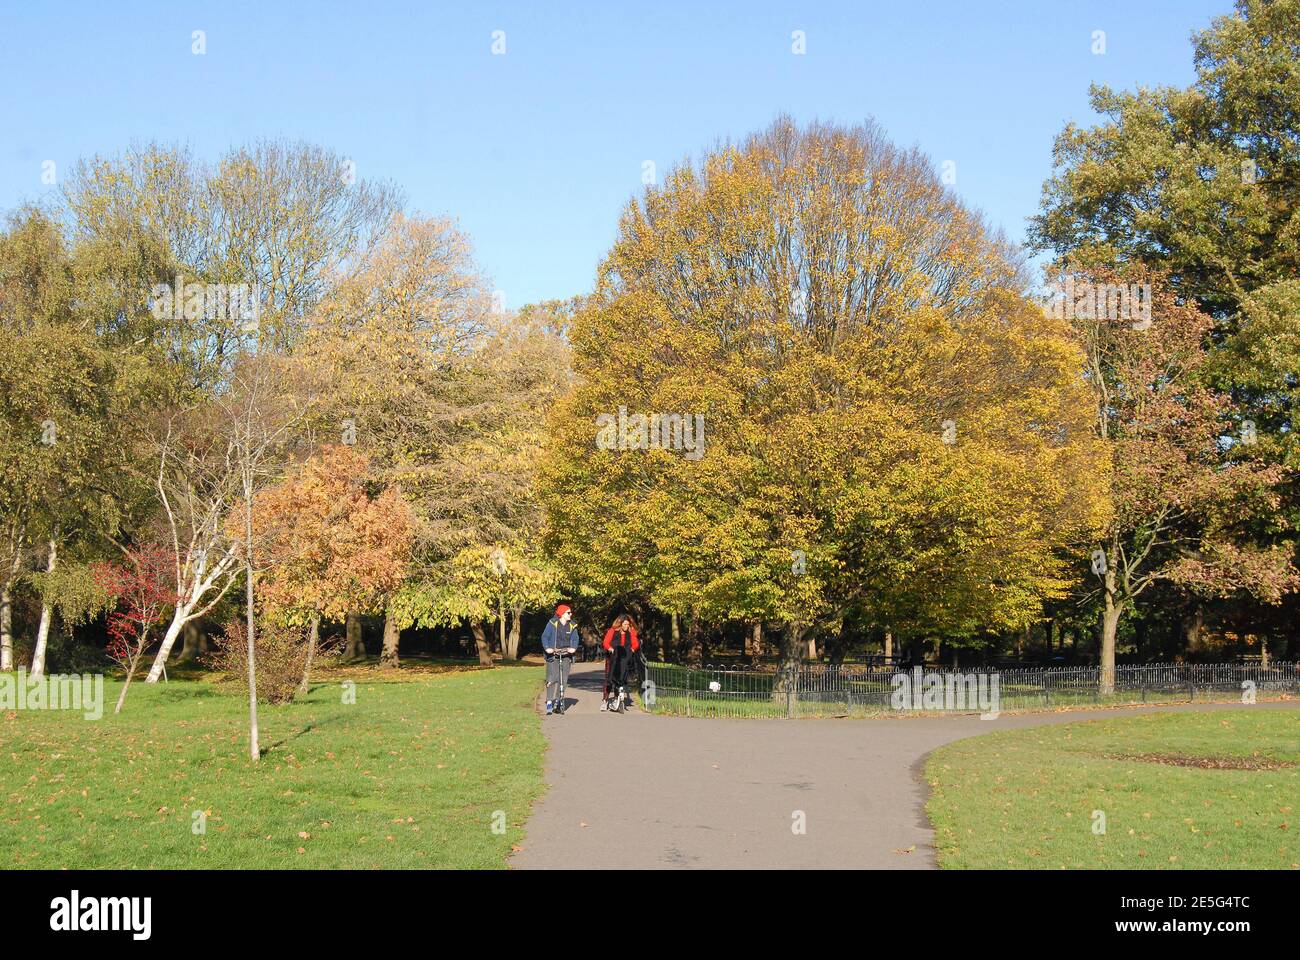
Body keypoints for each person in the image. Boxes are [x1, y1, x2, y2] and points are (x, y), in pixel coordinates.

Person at [541, 604, 580, 715]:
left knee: (563, 680)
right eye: (568, 612)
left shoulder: (572, 625)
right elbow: (545, 637)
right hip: (553, 654)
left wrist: (573, 648)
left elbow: (575, 638)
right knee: (552, 678)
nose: (570, 614)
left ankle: (559, 701)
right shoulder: (552, 623)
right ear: (562, 613)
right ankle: (549, 701)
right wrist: (548, 648)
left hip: (566, 654)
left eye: (570, 612)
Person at [601, 614, 640, 712]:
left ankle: (616, 698)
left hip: (623, 659)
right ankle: (605, 700)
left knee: (620, 679)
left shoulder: (630, 632)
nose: (627, 626)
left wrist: (632, 649)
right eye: (625, 624)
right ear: (620, 623)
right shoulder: (612, 631)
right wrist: (611, 649)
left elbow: (636, 643)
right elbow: (605, 642)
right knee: (609, 679)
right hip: (612, 658)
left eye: (628, 624)